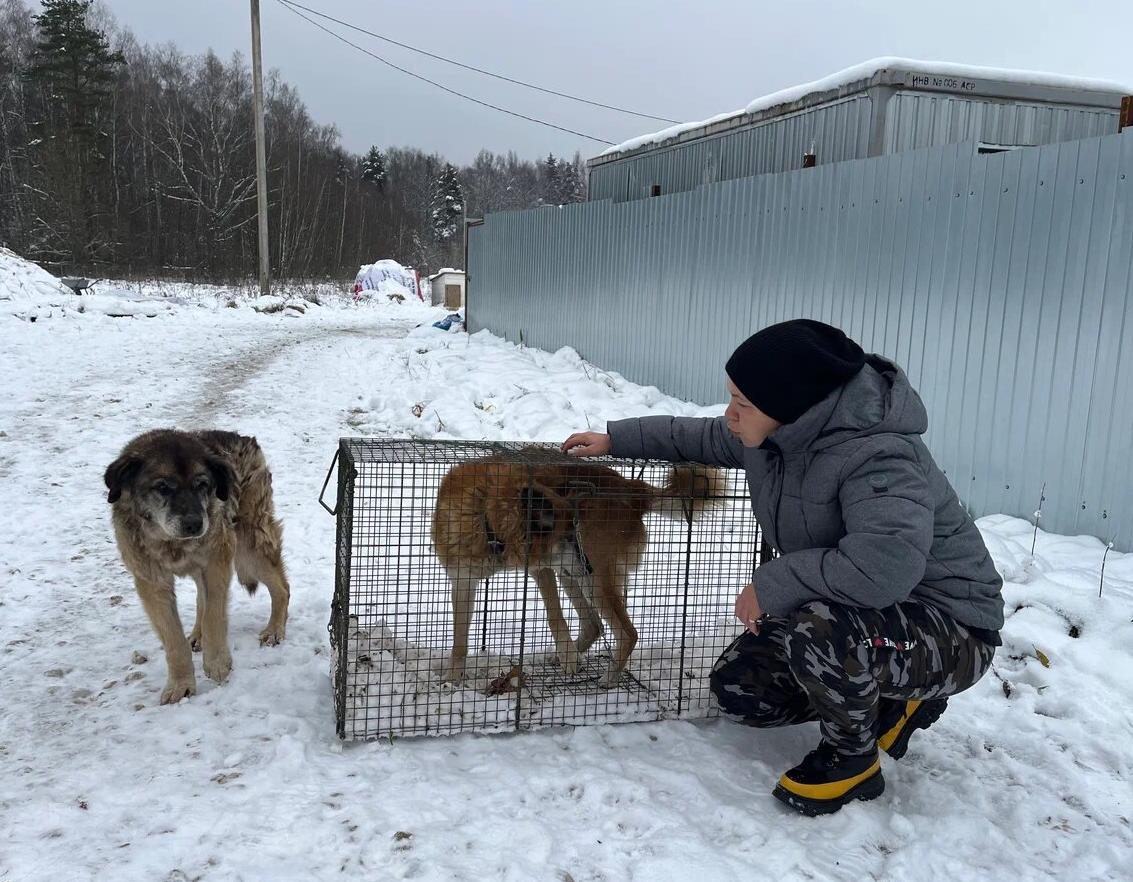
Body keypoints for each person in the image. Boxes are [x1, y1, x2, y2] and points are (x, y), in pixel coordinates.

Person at [561, 319, 1003, 816]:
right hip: (865, 613)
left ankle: (852, 760)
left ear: (794, 408)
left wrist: (771, 585)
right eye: (731, 398)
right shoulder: (773, 436)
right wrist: (616, 440)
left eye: (742, 404)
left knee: (821, 633)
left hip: (950, 628)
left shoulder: (880, 457)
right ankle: (890, 701)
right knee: (741, 690)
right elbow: (701, 437)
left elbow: (884, 570)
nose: (730, 414)